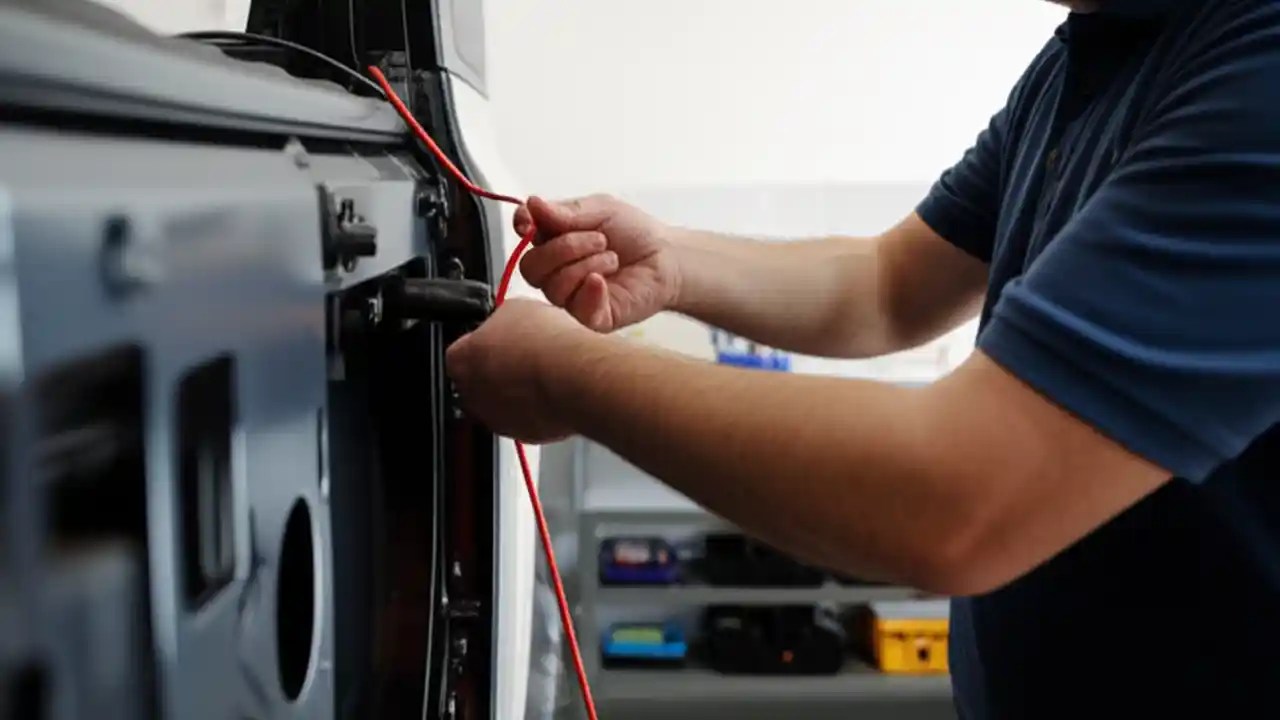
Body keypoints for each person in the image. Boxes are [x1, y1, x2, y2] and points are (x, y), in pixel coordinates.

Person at [448, 0, 1280, 716]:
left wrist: (569, 378)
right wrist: (673, 262)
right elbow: (889, 285)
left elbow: (955, 496)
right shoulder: (1088, 52)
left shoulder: (1255, 66)